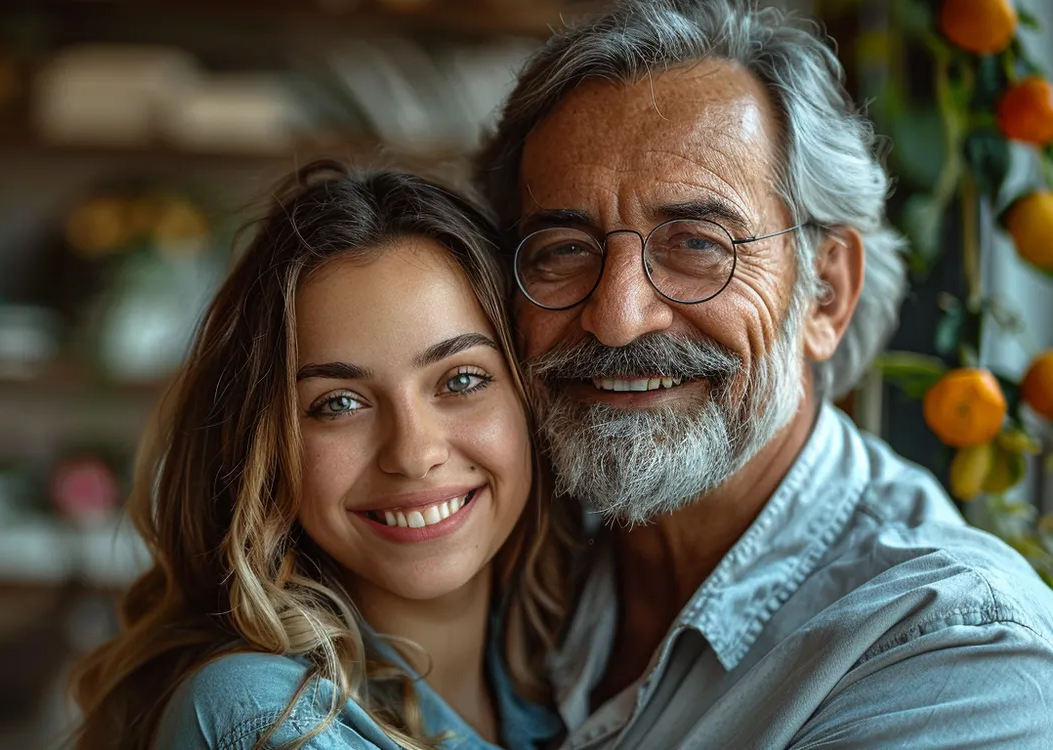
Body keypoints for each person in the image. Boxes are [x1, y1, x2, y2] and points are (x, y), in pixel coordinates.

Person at [472, 0, 1053, 747]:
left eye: (697, 243)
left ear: (825, 292)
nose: (616, 318)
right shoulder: (486, 545)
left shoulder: (957, 653)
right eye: (562, 248)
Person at [68, 162, 572, 749]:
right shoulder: (265, 718)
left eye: (461, 380)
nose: (413, 453)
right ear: (262, 447)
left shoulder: (567, 678)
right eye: (338, 403)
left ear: (533, 397)